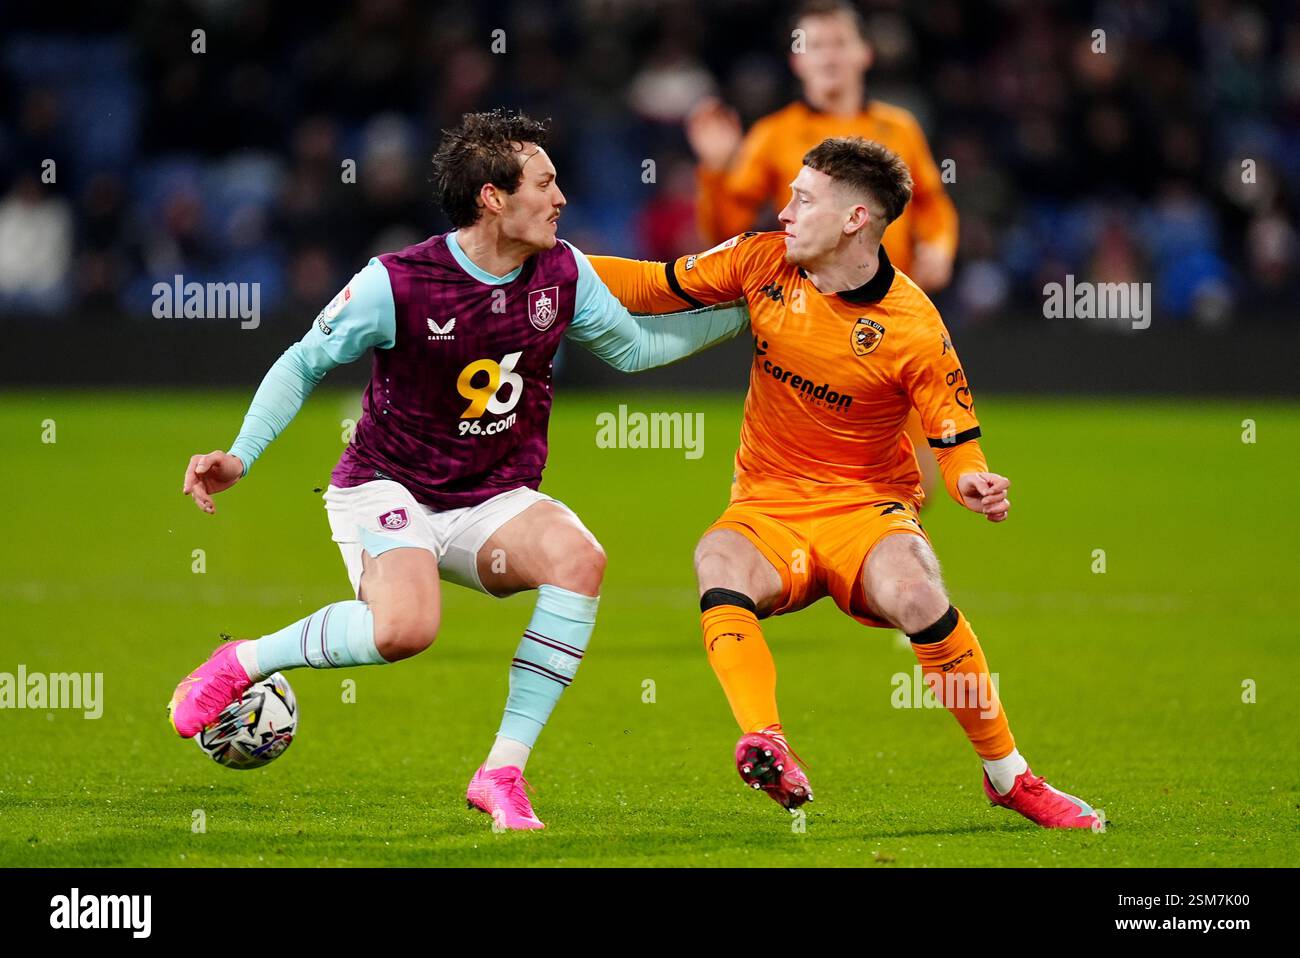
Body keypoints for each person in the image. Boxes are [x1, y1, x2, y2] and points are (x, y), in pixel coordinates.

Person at [170, 109, 749, 831]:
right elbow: (304, 359)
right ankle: (242, 660)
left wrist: (750, 312)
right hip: (386, 487)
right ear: (493, 198)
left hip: (489, 498)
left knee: (581, 560)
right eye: (545, 183)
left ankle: (502, 771)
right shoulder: (398, 283)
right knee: (408, 629)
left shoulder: (561, 272)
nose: (562, 197)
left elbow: (635, 350)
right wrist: (240, 455)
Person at [589, 136, 1102, 829]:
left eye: (804, 198)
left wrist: (971, 482)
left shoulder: (915, 327)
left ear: (856, 219)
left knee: (919, 592)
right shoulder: (760, 258)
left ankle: (1009, 777)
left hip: (867, 509)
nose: (786, 208)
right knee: (716, 558)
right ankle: (765, 740)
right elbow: (653, 285)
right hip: (768, 504)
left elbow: (957, 441)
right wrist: (550, 261)